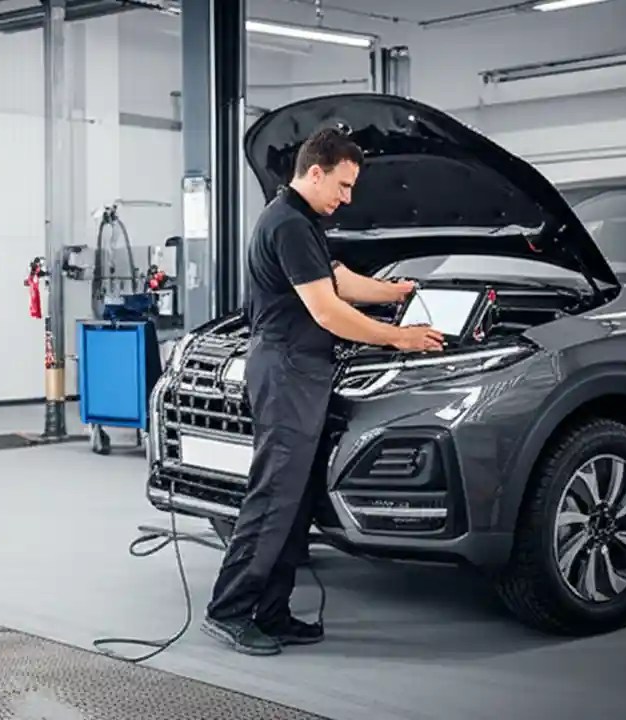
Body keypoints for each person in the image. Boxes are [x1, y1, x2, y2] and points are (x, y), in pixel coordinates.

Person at [201, 128, 444, 656]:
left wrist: (399, 292)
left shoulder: (300, 219)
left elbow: (340, 281)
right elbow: (327, 310)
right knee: (273, 497)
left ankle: (273, 611)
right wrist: (399, 337)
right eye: (343, 185)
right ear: (316, 172)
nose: (347, 198)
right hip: (286, 371)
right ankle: (229, 610)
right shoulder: (288, 224)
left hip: (302, 371)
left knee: (297, 501)